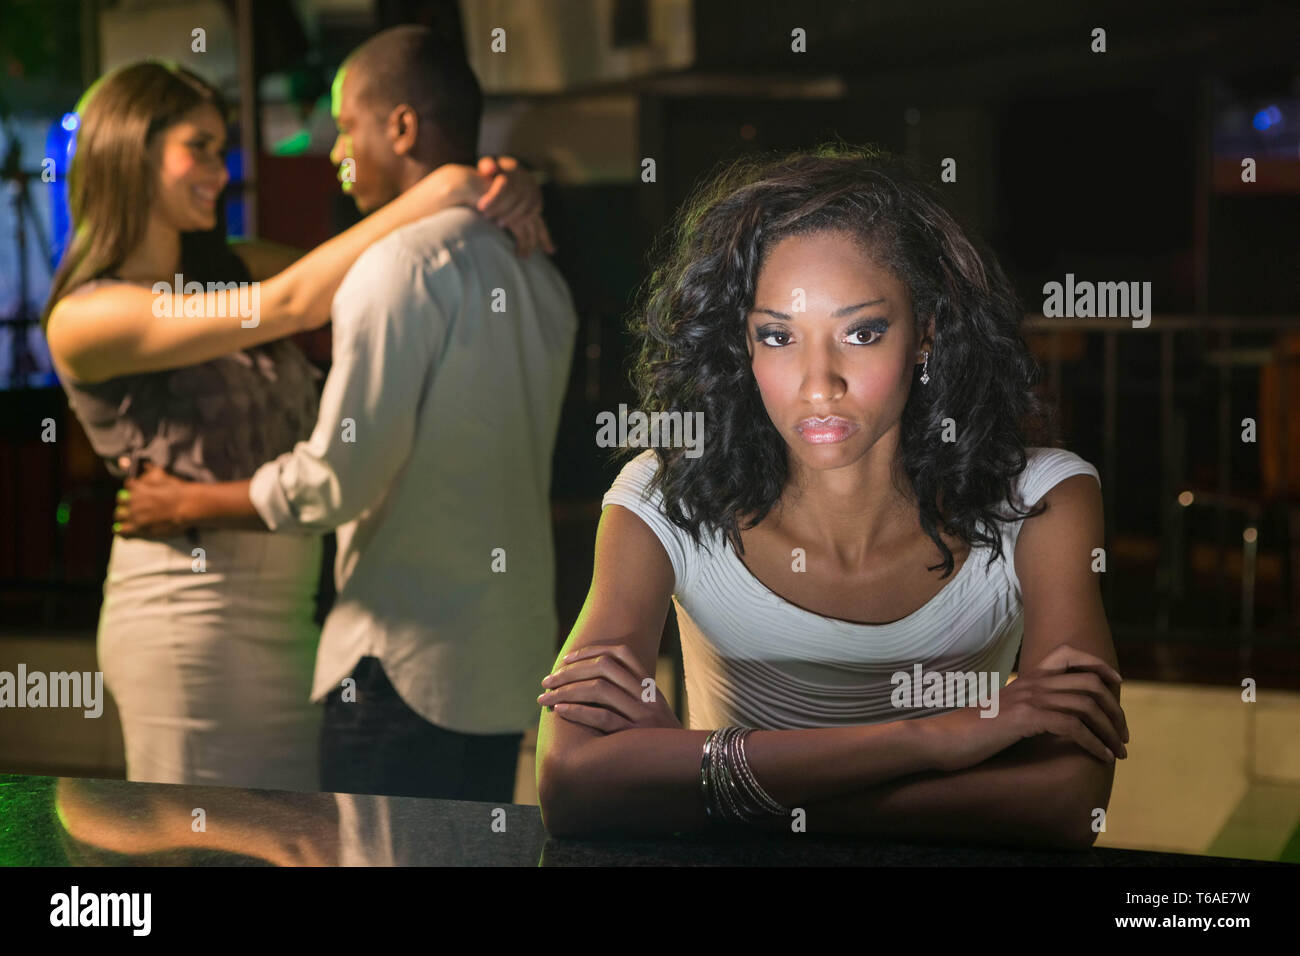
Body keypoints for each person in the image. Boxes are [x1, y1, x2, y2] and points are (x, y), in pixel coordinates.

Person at [533, 144, 1130, 848]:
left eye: (862, 332)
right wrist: (934, 741)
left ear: (926, 334)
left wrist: (700, 784)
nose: (820, 384)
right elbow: (572, 787)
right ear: (743, 345)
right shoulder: (664, 497)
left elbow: (1067, 806)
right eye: (778, 336)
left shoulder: (1043, 499)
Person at [42, 59, 548, 792]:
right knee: (212, 842)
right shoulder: (87, 317)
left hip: (294, 618)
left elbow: (386, 262)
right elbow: (290, 304)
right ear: (131, 152)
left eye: (222, 148)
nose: (221, 171)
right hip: (188, 616)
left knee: (295, 837)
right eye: (200, 148)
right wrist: (445, 185)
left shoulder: (235, 264)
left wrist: (502, 182)